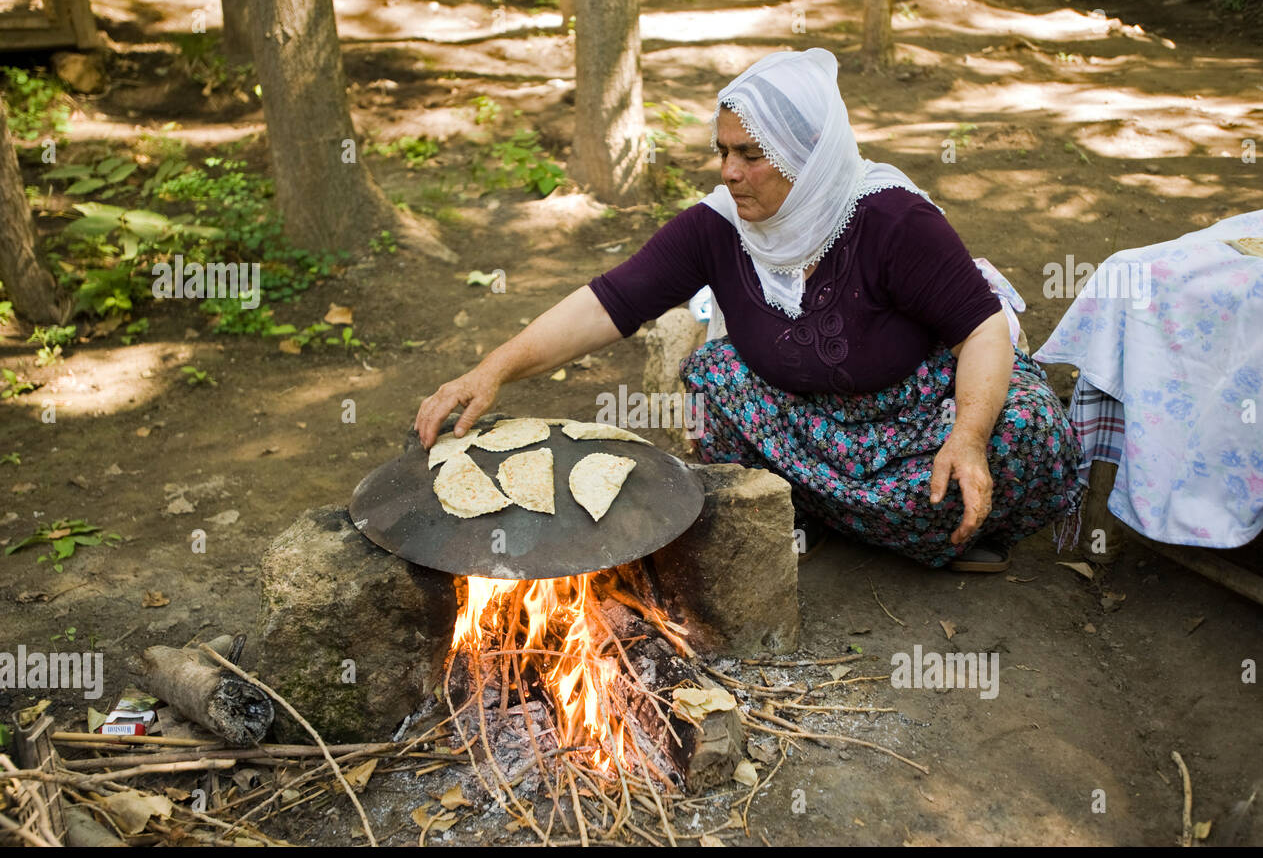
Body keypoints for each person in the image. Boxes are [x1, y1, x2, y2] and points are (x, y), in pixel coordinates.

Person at [416, 47, 1084, 572]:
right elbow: (609, 303)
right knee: (715, 374)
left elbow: (981, 326)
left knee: (1024, 424)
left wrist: (965, 438)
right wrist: (494, 369)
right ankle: (814, 516)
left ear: (806, 157)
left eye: (751, 155)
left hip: (913, 416)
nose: (730, 173)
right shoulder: (715, 226)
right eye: (723, 152)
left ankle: (872, 513)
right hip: (799, 420)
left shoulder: (892, 220)